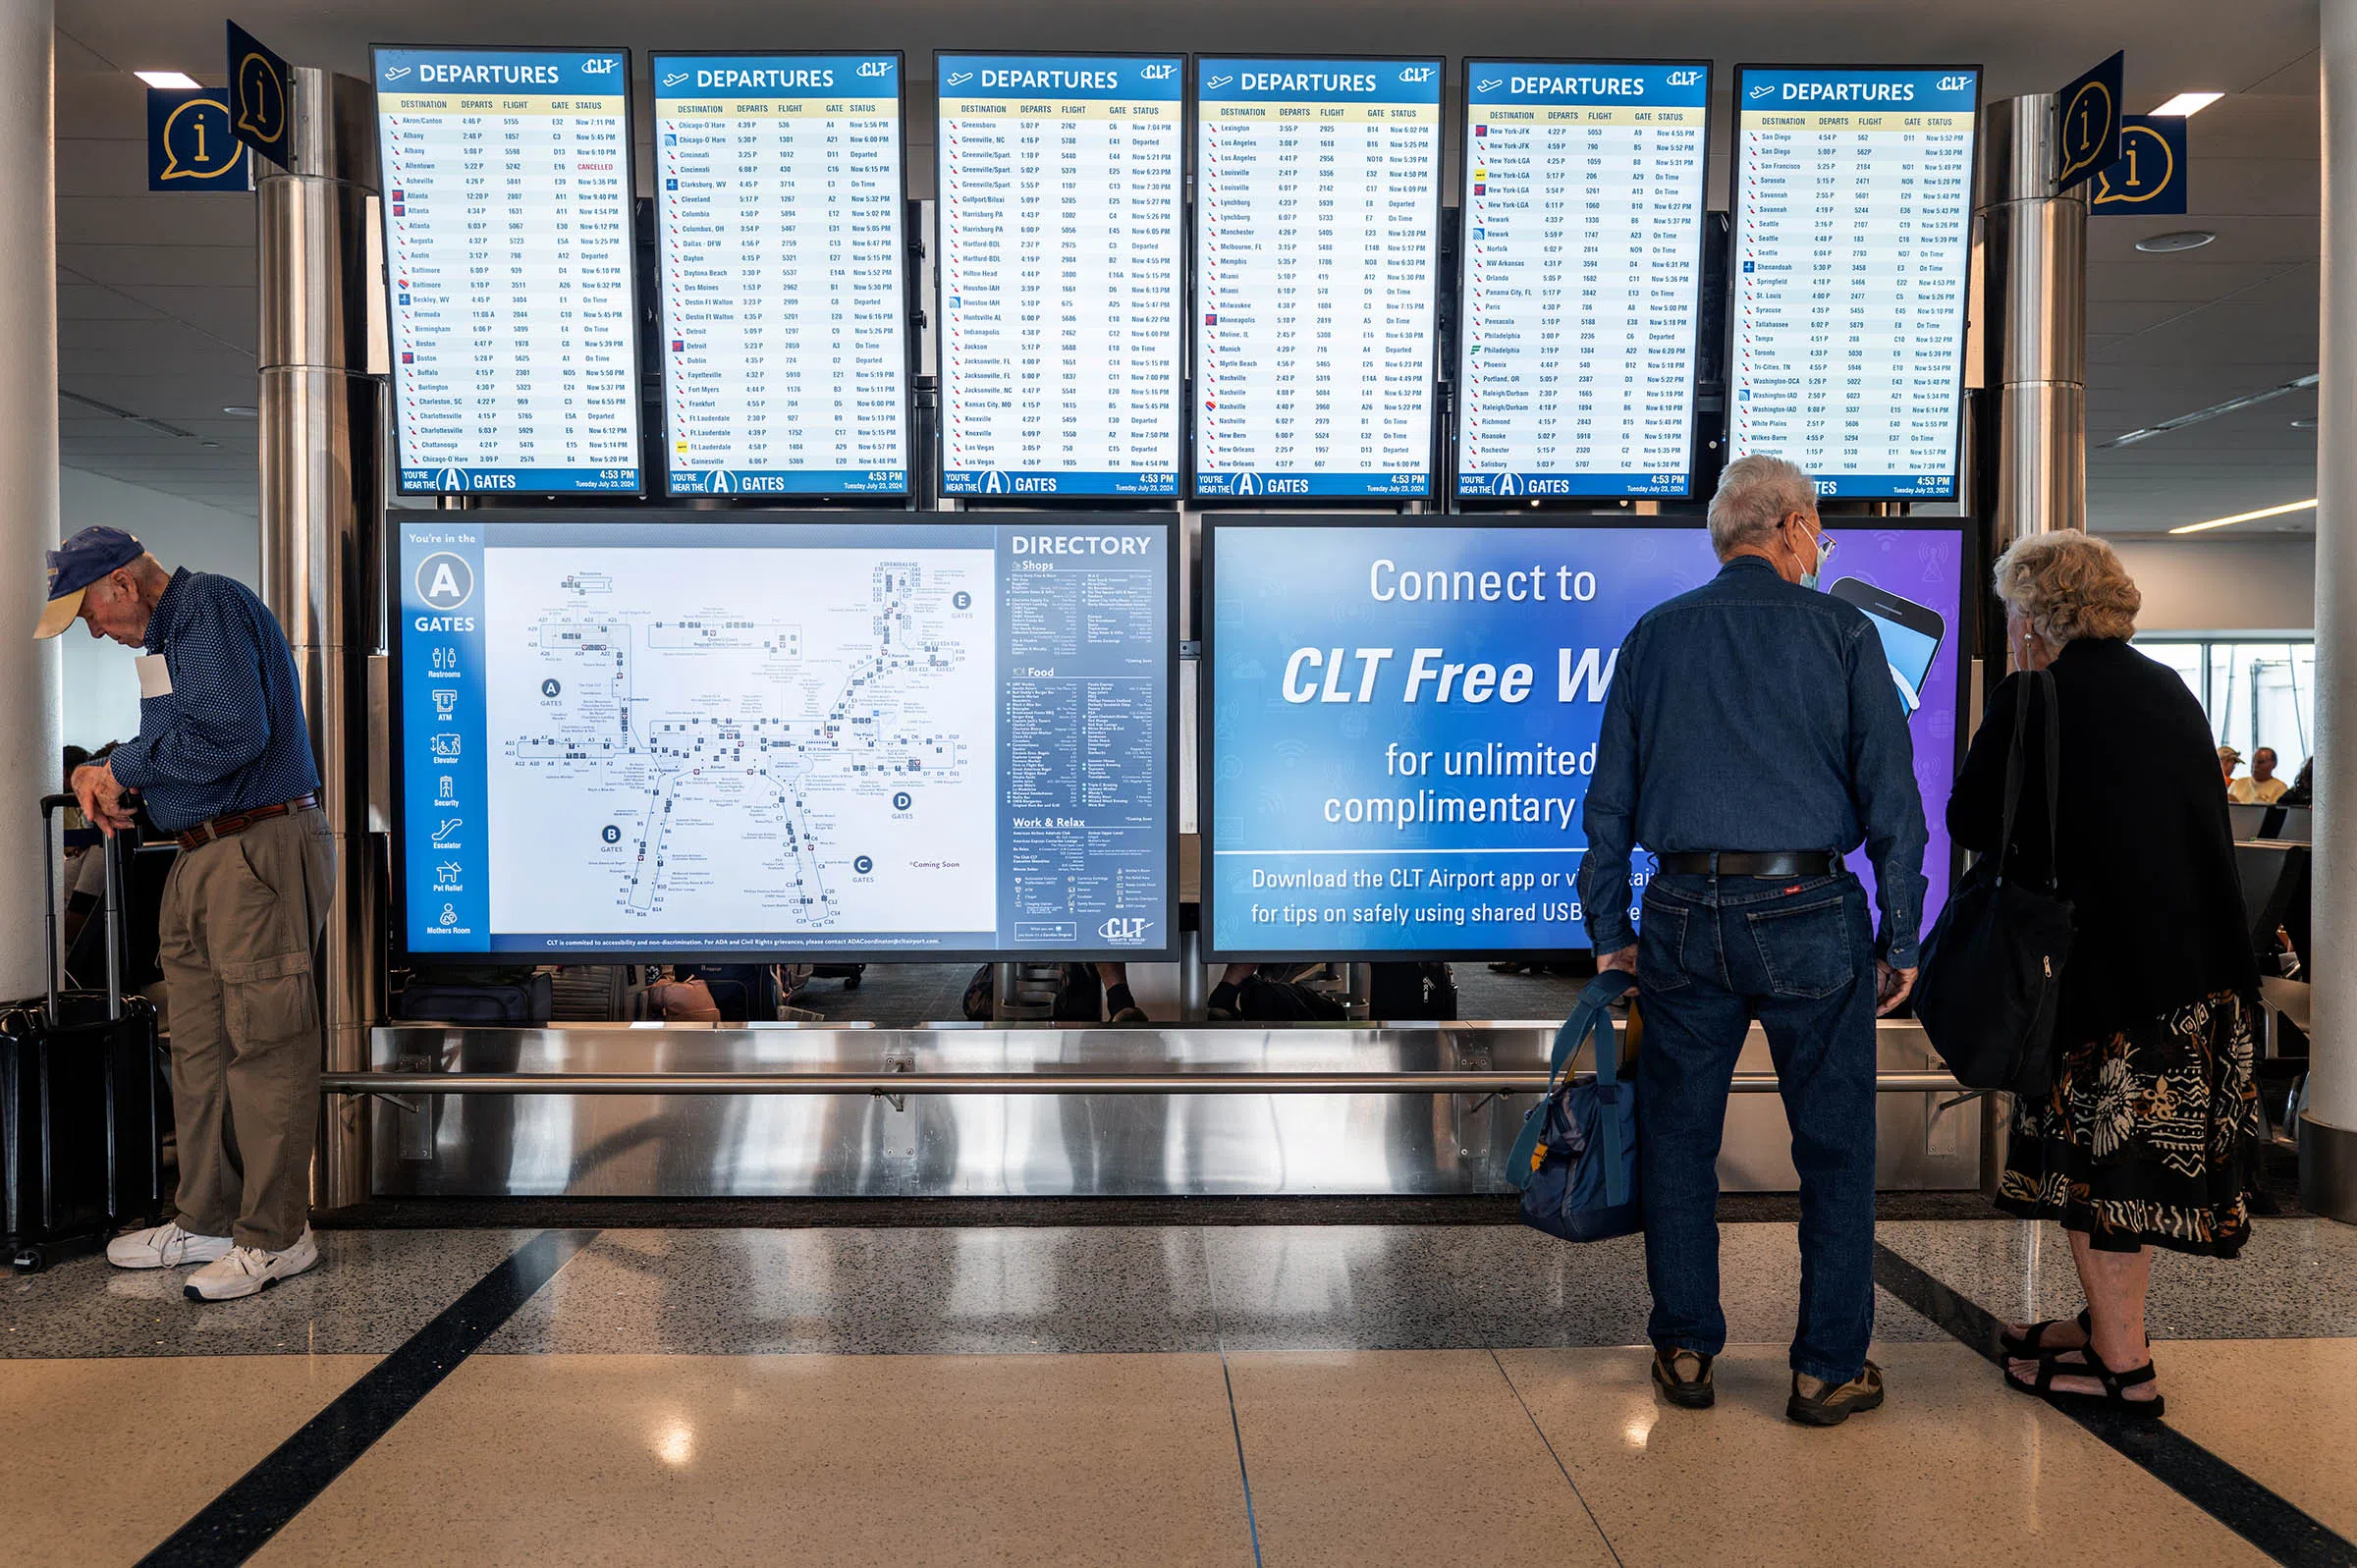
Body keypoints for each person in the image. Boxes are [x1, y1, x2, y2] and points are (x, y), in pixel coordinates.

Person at [1580, 454, 1927, 1428]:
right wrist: (1903, 929)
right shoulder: (1845, 633)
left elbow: (1608, 799)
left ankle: (1687, 1348)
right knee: (1836, 1146)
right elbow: (1891, 798)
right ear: (1790, 528)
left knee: (1682, 1138)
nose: (1818, 549)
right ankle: (1826, 1368)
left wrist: (1609, 929)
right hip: (1809, 907)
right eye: (1817, 532)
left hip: (1684, 908)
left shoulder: (1655, 636)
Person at [1948, 530, 2261, 1418]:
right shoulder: (2170, 691)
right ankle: (2103, 1329)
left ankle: (2122, 1366)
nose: (2011, 630)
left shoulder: (2033, 696)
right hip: (2199, 985)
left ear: (2041, 617)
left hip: (2102, 990)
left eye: (2015, 611)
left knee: (2101, 1177)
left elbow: (1973, 817)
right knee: (2127, 1176)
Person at [35, 526, 334, 1302]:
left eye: (89, 612)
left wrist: (118, 767)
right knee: (199, 1049)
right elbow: (185, 737)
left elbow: (234, 732)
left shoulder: (205, 607)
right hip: (201, 852)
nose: (93, 629)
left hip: (256, 846)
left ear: (124, 587)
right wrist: (119, 778)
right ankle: (207, 1216)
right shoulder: (169, 638)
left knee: (266, 1047)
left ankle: (278, 1235)